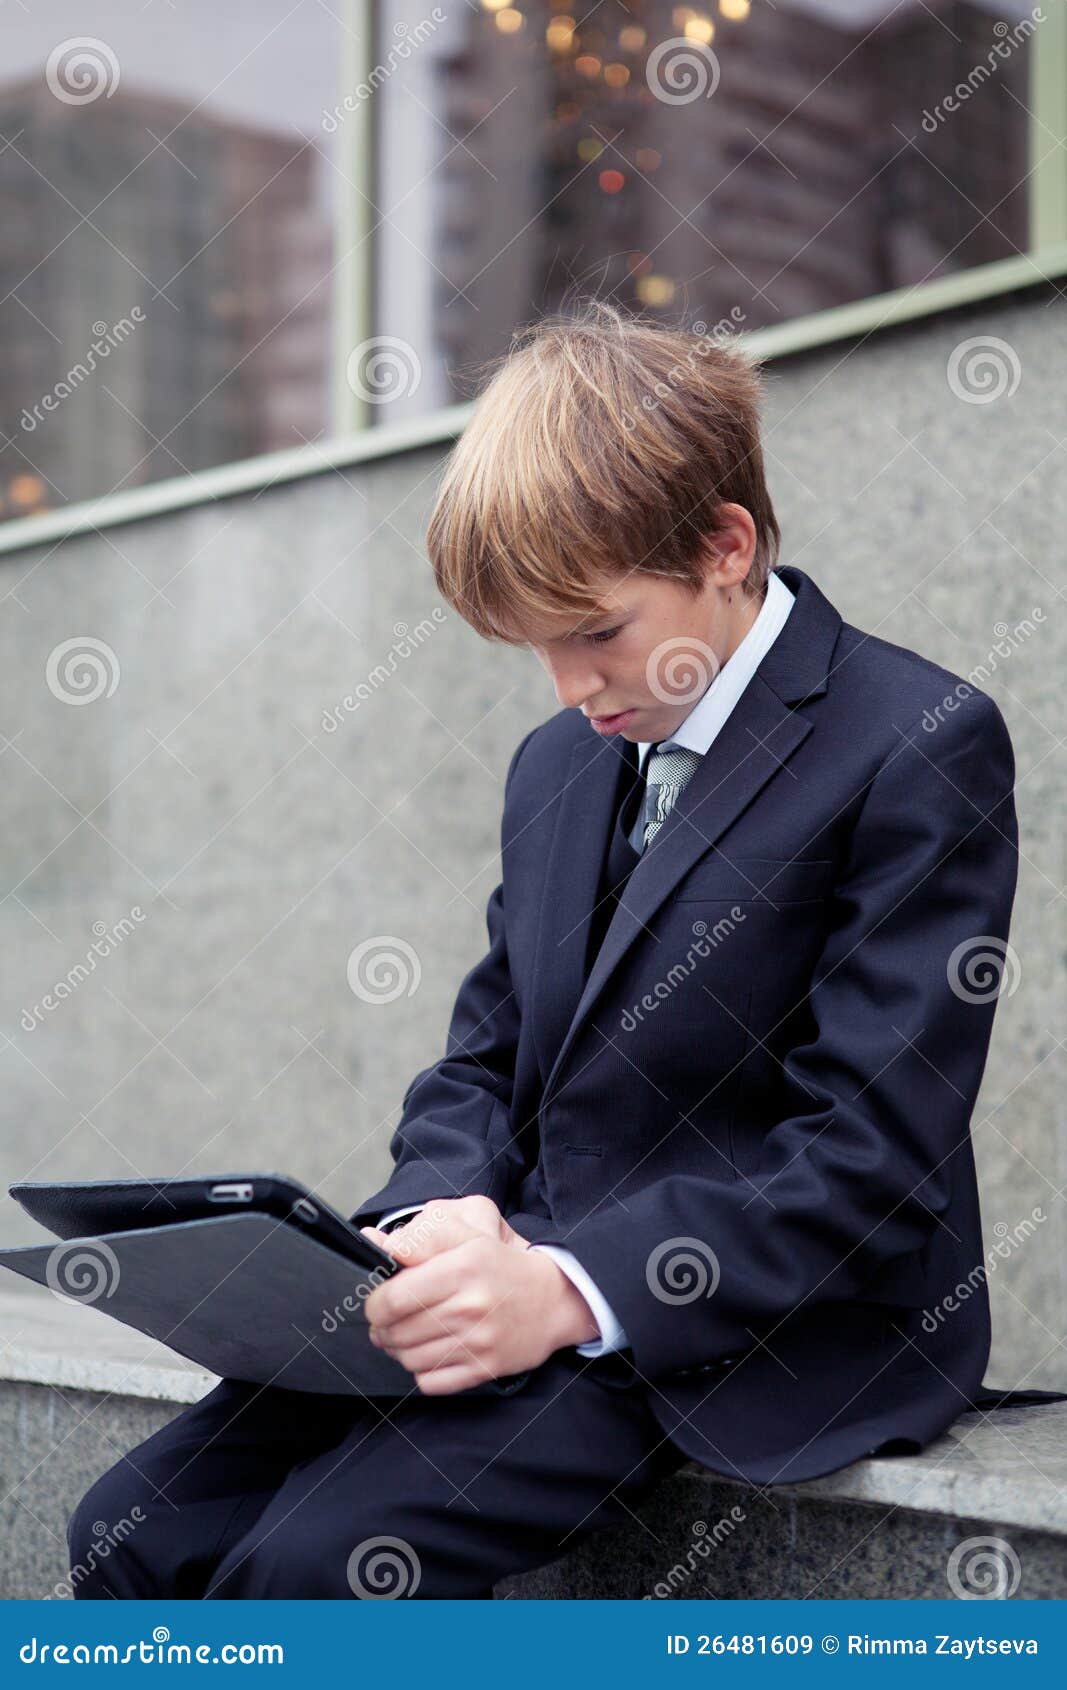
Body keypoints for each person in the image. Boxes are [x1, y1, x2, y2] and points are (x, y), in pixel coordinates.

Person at [67, 301, 1019, 1599]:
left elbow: (868, 1154)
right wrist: (426, 1218)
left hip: (751, 1320)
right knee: (132, 1523)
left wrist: (570, 1288)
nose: (571, 692)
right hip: (521, 1272)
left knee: (314, 1567)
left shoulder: (915, 741)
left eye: (596, 632)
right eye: (535, 650)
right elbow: (484, 1055)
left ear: (724, 547)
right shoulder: (561, 765)